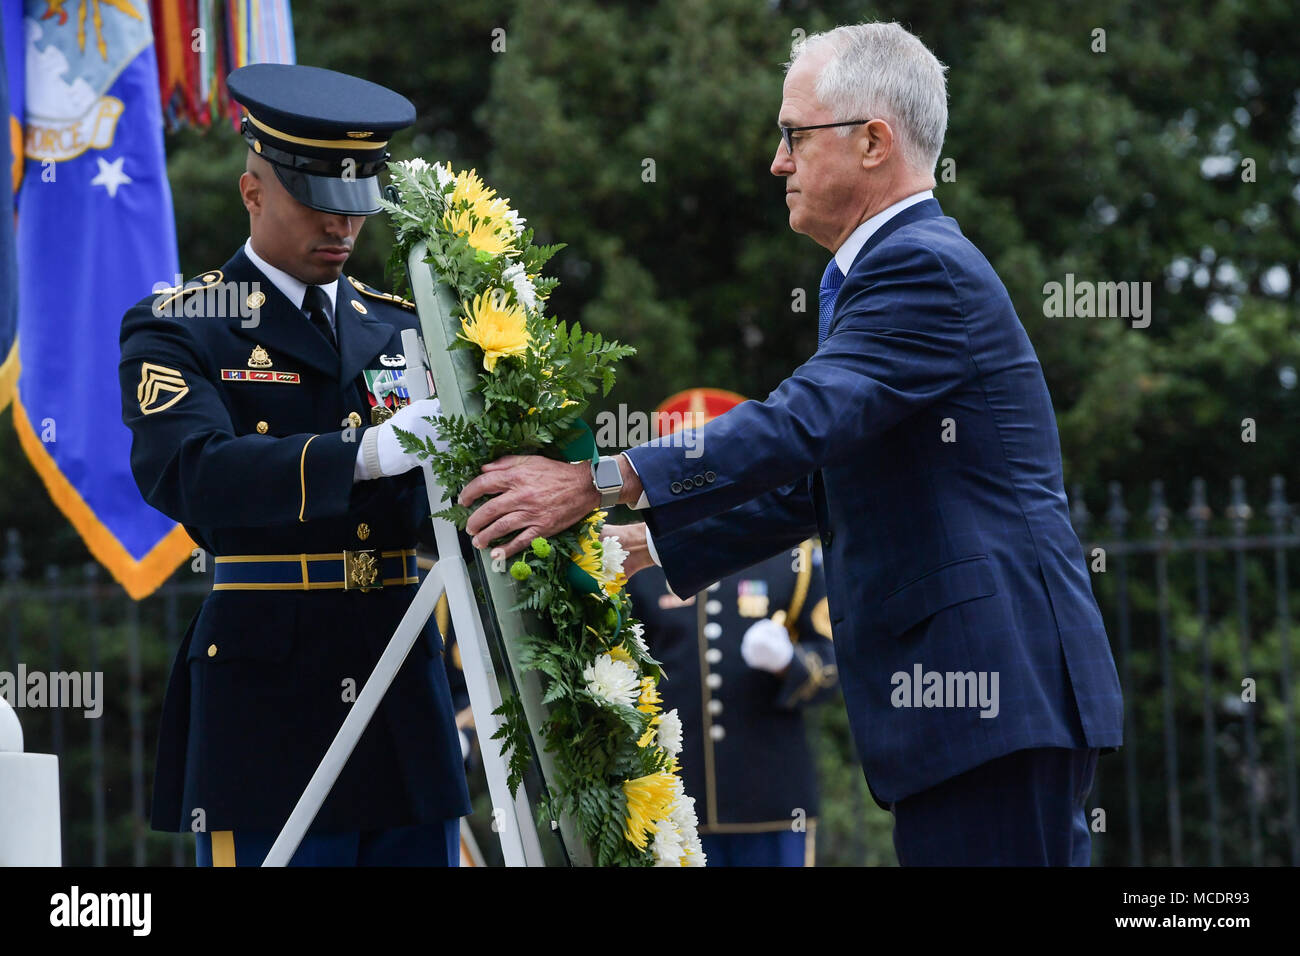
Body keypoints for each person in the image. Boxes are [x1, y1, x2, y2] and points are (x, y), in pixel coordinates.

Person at [455, 22, 1124, 866]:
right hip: (980, 698)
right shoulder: (871, 271)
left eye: (794, 136)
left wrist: (596, 481)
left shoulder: (921, 266)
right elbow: (820, 479)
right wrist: (650, 541)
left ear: (873, 142)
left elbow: (797, 422)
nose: (778, 162)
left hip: (996, 689)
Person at [118, 64, 469, 866]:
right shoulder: (183, 326)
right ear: (253, 194)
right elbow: (192, 470)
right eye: (317, 205)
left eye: (355, 211)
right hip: (270, 701)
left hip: (402, 685)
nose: (342, 230)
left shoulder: (401, 327)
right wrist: (367, 452)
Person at [627, 388, 837, 867]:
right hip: (672, 800)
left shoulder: (794, 559)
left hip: (772, 803)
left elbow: (833, 670)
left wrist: (792, 664)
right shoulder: (640, 563)